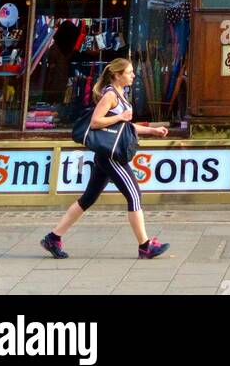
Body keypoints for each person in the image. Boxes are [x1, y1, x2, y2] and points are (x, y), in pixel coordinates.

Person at [40, 57, 171, 260]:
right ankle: (145, 246)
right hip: (111, 157)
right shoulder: (110, 95)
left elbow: (124, 128)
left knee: (87, 199)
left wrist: (152, 131)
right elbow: (95, 122)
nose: (133, 75)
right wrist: (120, 117)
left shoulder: (121, 95)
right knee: (134, 196)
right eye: (129, 72)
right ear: (117, 75)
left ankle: (53, 238)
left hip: (106, 155)